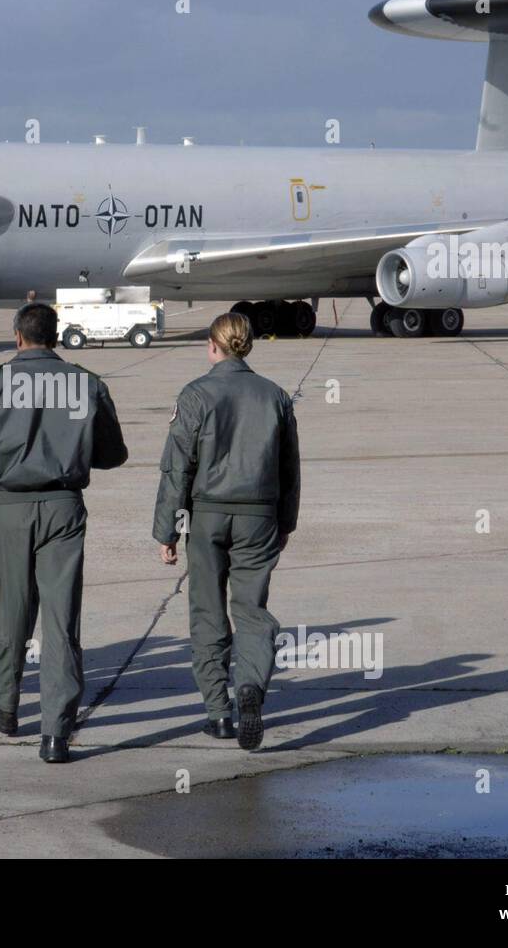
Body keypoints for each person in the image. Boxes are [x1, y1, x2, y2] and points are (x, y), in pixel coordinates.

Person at [0, 303, 128, 763]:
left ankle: (5, 704)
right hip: (63, 505)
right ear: (55, 335)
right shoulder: (85, 383)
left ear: (19, 336)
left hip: (9, 507)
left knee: (9, 611)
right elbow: (112, 453)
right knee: (61, 619)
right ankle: (56, 732)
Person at [152, 312, 300, 751]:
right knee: (252, 610)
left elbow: (176, 467)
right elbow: (289, 468)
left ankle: (218, 713)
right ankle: (251, 687)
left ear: (213, 346)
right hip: (259, 515)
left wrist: (168, 530)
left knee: (207, 611)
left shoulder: (196, 394)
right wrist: (286, 522)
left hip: (208, 514)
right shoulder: (275, 396)